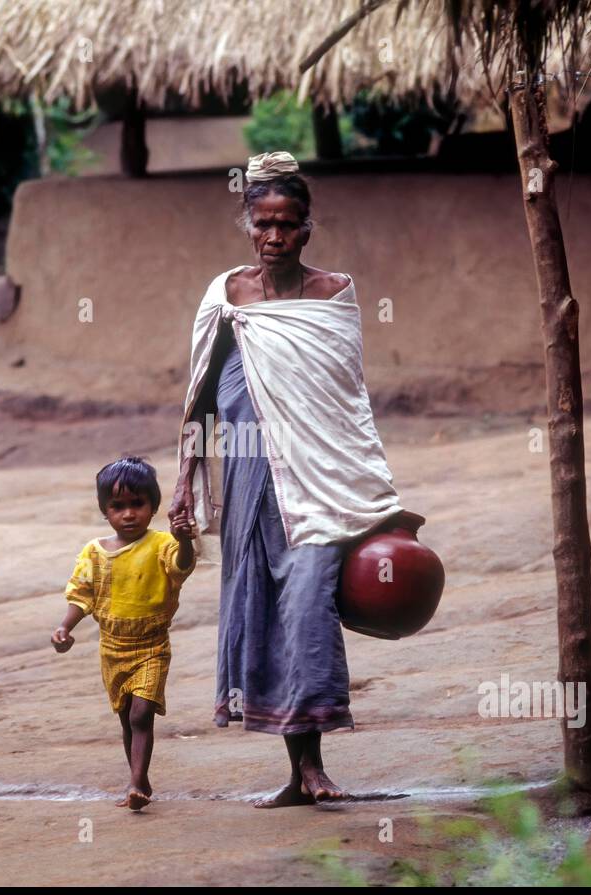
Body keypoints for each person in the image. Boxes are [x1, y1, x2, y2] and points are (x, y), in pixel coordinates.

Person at [169, 151, 404, 808]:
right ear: (247, 223)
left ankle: (318, 766)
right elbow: (202, 399)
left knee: (306, 608)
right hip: (250, 485)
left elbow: (346, 401)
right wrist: (185, 481)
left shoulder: (333, 296)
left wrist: (371, 488)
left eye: (288, 224)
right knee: (263, 614)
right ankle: (299, 773)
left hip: (321, 486)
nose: (274, 237)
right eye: (263, 223)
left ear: (307, 228)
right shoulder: (227, 298)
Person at [53, 456, 195, 810]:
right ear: (105, 510)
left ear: (153, 506)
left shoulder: (162, 544)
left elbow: (181, 568)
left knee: (140, 713)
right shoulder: (94, 552)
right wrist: (65, 627)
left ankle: (135, 784)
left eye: (137, 504)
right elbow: (82, 593)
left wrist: (186, 541)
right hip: (112, 648)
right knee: (125, 718)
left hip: (151, 645)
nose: (128, 514)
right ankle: (140, 778)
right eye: (118, 507)